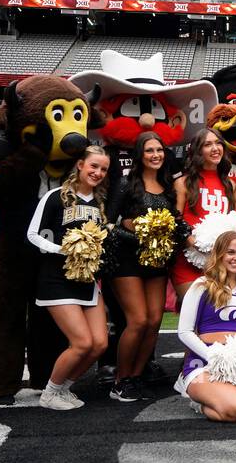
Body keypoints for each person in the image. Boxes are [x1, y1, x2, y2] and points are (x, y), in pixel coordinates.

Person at [27, 146, 111, 410]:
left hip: (87, 282)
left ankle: (64, 388)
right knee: (82, 343)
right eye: (93, 166)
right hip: (56, 280)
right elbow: (33, 234)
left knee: (99, 344)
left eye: (103, 169)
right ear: (80, 165)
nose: (98, 173)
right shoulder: (55, 197)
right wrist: (62, 250)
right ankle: (49, 393)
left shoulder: (99, 203)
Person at [175, 231, 236, 422]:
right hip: (204, 363)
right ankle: (200, 402)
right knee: (235, 409)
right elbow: (185, 331)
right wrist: (214, 356)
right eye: (230, 252)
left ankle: (227, 393)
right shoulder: (202, 285)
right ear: (219, 254)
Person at [109, 131, 177, 402]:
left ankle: (135, 377)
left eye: (159, 150)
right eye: (149, 150)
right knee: (137, 320)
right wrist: (137, 233)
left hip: (157, 262)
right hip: (127, 262)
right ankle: (120, 381)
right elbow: (107, 225)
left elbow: (175, 223)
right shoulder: (126, 184)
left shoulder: (169, 187)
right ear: (140, 155)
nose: (155, 155)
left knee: (154, 321)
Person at [172, 128, 233, 303]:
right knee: (197, 312)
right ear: (197, 151)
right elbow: (175, 220)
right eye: (208, 144)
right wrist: (192, 242)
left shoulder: (229, 185)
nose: (215, 148)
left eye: (218, 143)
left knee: (217, 318)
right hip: (188, 261)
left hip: (219, 263)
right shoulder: (183, 183)